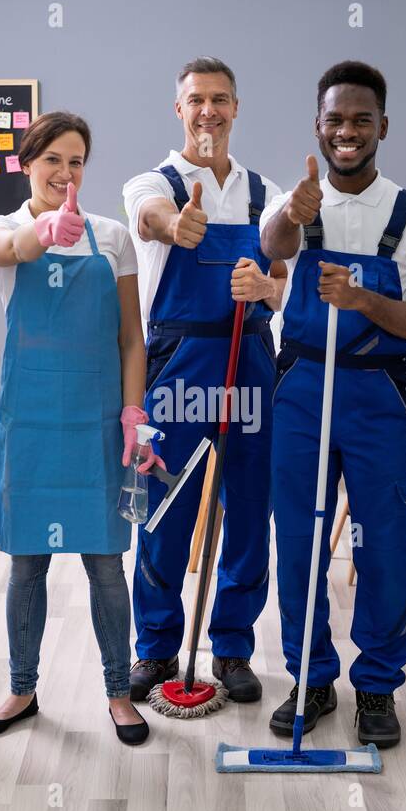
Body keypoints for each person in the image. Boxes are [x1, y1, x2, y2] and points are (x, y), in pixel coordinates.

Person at [260, 61, 406, 748]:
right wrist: (292, 214)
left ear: (383, 127)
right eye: (335, 120)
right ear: (319, 125)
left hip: (378, 394)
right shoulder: (298, 201)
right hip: (303, 390)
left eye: (361, 120)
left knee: (388, 547)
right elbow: (270, 249)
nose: (347, 132)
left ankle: (376, 687)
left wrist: (364, 299)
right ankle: (310, 681)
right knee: (300, 543)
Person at [0, 112, 151, 746]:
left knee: (106, 566)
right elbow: (3, 250)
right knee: (28, 567)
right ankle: (22, 690)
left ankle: (117, 692)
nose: (65, 173)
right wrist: (41, 235)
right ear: (28, 163)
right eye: (52, 160)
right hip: (30, 426)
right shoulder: (1, 228)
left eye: (76, 162)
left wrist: (134, 414)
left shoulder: (111, 238)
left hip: (96, 423)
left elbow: (132, 338)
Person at [120, 57, 287, 704]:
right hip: (178, 366)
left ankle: (235, 648)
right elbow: (151, 217)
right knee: (162, 509)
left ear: (236, 108)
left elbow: (286, 288)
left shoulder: (265, 195)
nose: (208, 110)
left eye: (220, 99)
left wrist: (268, 286)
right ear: (179, 109)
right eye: (196, 100)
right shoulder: (150, 183)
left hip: (249, 360)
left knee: (248, 511)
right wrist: (176, 224)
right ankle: (157, 649)